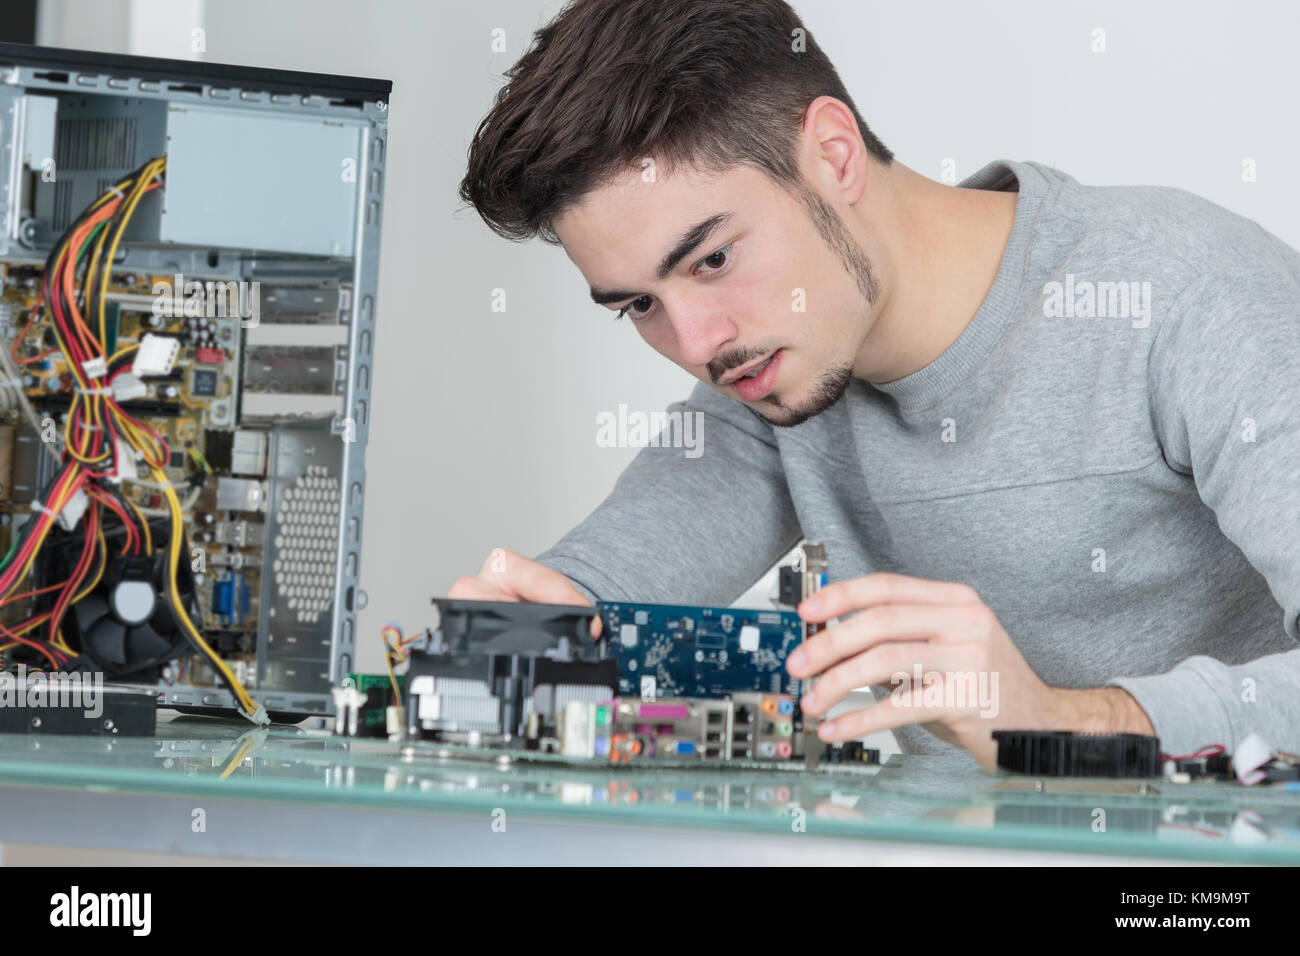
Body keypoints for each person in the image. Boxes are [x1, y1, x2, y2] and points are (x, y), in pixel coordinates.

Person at [452, 0, 1300, 768]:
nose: (699, 343)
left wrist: (1061, 724)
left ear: (832, 154)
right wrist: (512, 632)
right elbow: (587, 591)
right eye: (640, 303)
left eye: (713, 259)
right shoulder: (770, 377)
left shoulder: (1189, 294)